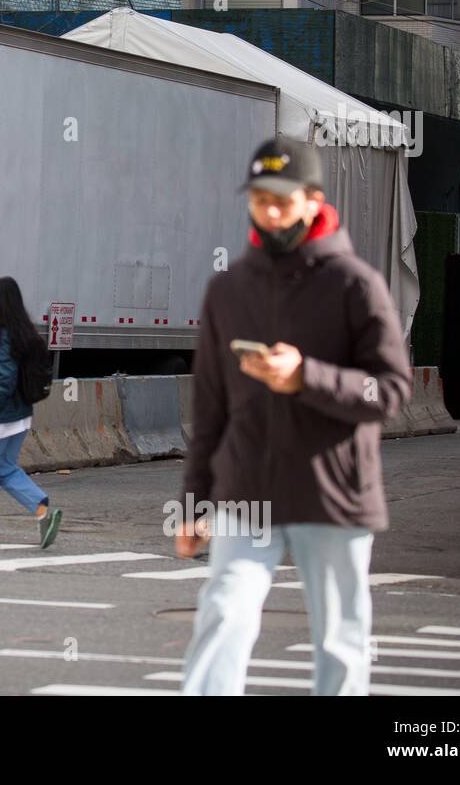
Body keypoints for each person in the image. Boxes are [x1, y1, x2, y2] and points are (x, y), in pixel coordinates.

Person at [175, 136, 412, 695]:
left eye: (282, 199)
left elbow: (392, 391)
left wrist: (308, 377)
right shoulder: (227, 289)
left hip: (332, 492)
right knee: (224, 616)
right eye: (260, 198)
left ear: (313, 199)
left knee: (338, 639)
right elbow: (208, 407)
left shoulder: (357, 284)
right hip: (246, 492)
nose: (271, 210)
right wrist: (193, 503)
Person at [0, 276, 63, 549]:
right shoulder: (20, 332)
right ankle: (42, 510)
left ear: (0, 301)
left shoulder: (0, 336)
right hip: (17, 418)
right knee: (4, 469)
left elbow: (4, 379)